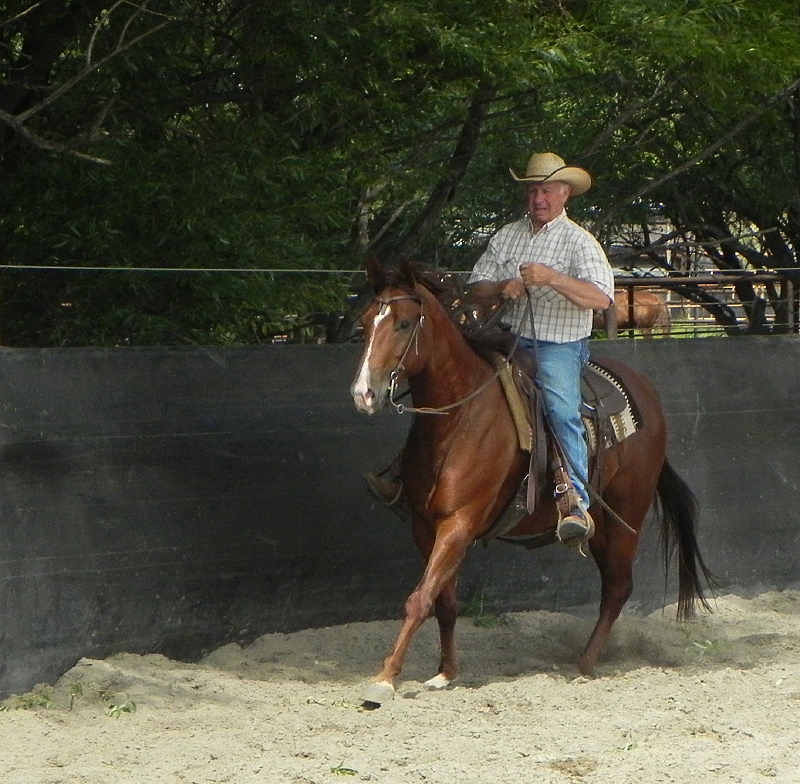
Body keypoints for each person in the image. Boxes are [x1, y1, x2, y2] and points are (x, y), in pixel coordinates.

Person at [366, 151, 614, 549]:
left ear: (565, 193)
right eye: (534, 191)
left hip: (559, 345)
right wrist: (500, 288)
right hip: (505, 336)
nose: (539, 199)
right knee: (449, 387)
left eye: (547, 191)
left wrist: (551, 277)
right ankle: (404, 472)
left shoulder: (580, 243)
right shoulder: (508, 236)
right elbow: (476, 286)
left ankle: (574, 501)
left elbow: (600, 298)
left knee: (560, 404)